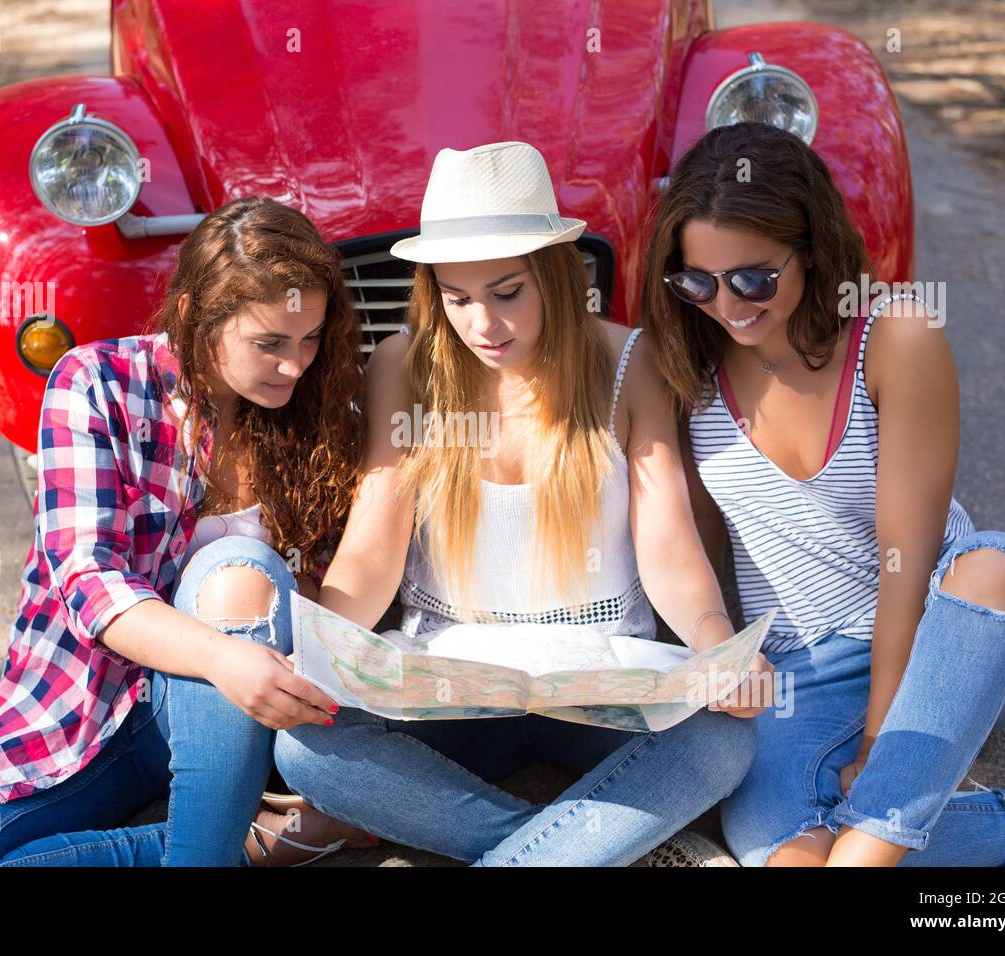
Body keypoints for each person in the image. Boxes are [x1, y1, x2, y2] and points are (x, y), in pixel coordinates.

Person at [273, 141, 769, 866]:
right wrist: (317, 653)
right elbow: (373, 546)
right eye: (458, 297)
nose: (483, 324)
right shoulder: (403, 366)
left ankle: (536, 849)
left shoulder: (631, 362)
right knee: (305, 747)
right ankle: (587, 848)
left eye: (507, 293)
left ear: (557, 278)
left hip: (602, 682)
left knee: (724, 741)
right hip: (447, 684)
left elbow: (667, 543)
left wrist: (716, 646)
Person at [641, 121, 1005, 867]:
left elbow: (905, 565)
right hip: (801, 671)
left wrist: (881, 741)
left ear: (812, 249)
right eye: (698, 281)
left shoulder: (895, 338)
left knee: (994, 563)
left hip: (950, 637)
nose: (728, 304)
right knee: (779, 851)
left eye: (754, 278)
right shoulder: (686, 361)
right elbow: (697, 544)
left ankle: (874, 836)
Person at [0, 197, 378, 866]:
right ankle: (263, 841)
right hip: (89, 695)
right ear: (196, 320)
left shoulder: (323, 412)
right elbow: (86, 576)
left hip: (247, 707)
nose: (295, 366)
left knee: (233, 564)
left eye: (311, 338)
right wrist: (216, 655)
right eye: (269, 344)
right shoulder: (96, 384)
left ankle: (207, 850)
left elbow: (337, 579)